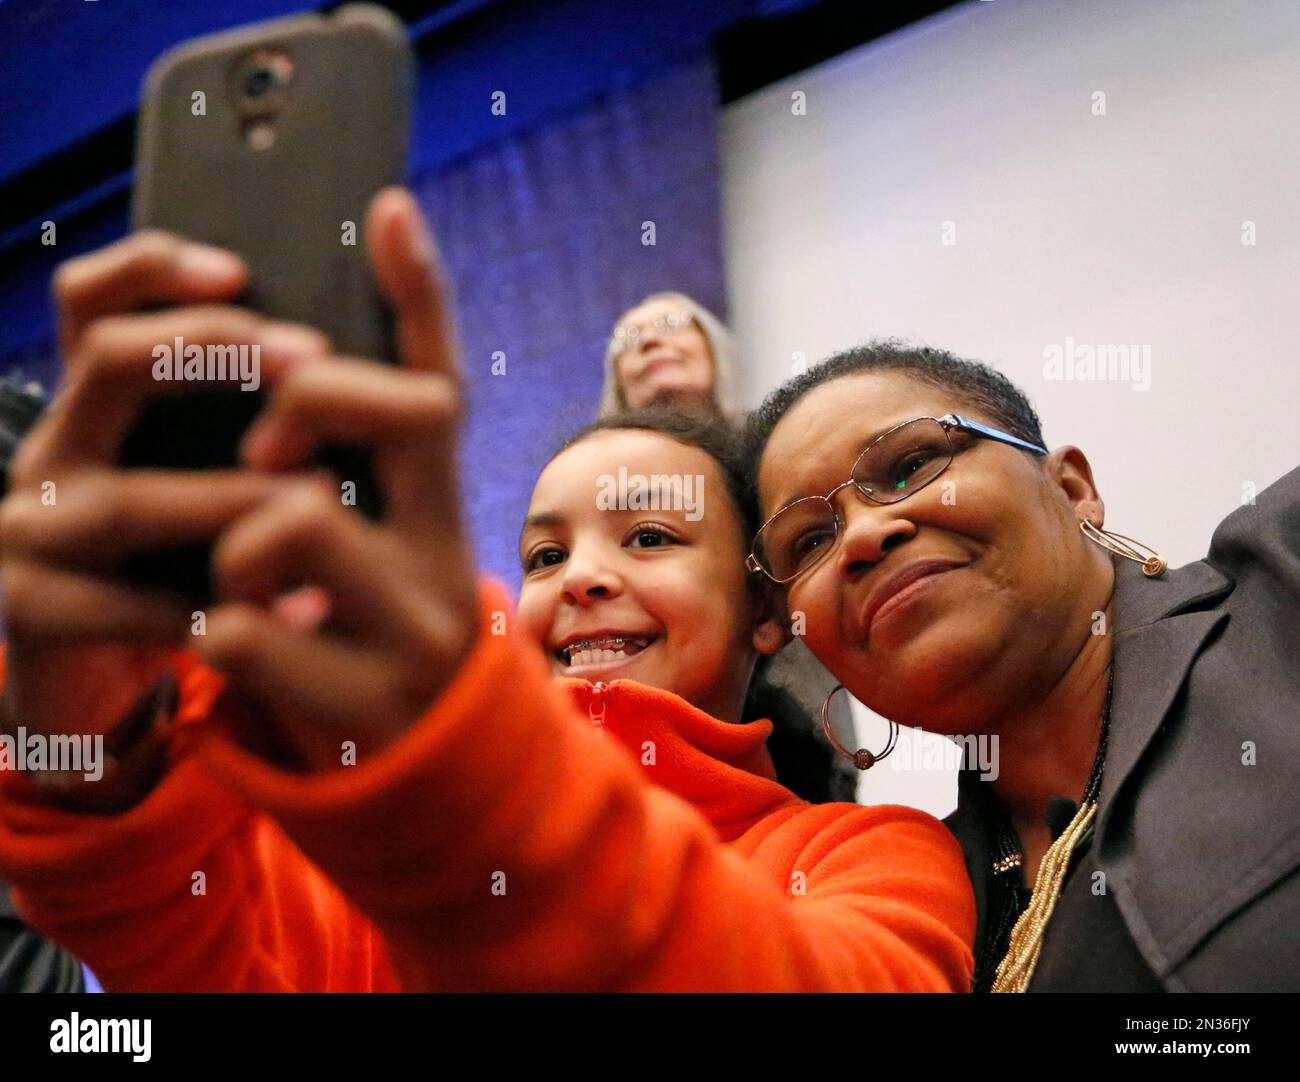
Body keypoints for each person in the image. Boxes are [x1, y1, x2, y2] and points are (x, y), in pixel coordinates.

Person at [0, 194, 974, 992]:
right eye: (544, 555)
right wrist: (98, 760)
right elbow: (185, 950)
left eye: (648, 535)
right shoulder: (356, 857)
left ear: (766, 612)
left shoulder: (875, 851)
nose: (585, 575)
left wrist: (465, 764)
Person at [743, 340, 1300, 991]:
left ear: (1071, 488)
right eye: (810, 539)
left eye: (911, 465)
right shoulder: (911, 912)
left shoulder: (1282, 584)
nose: (864, 535)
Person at [597, 292, 736, 418]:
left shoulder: (755, 442)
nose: (648, 339)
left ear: (711, 347)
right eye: (628, 338)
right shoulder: (590, 446)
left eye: (670, 323)